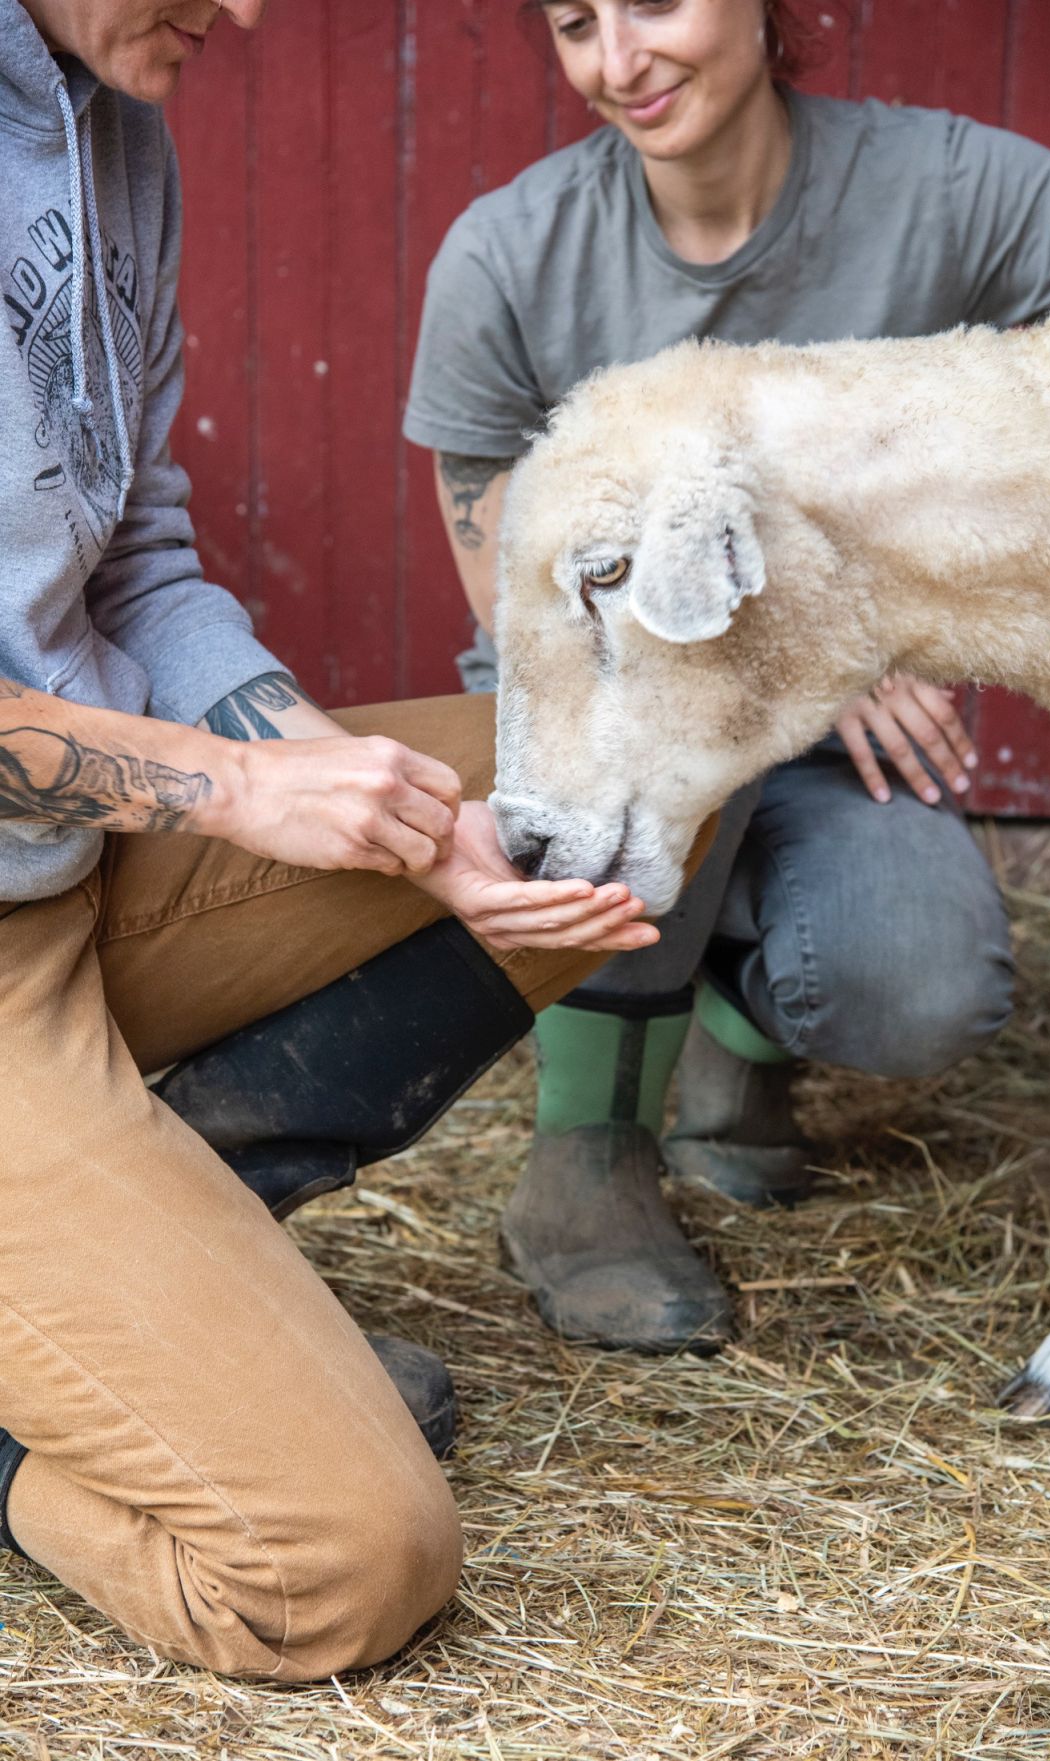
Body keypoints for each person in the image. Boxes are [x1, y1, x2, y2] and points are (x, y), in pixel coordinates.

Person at [0, 0, 675, 1681]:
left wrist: (349, 792)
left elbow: (139, 555)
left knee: (609, 788)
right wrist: (224, 790)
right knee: (344, 1564)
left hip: (72, 879)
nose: (241, 14)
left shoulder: (115, 126)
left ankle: (158, 1257)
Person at [406, 0, 1050, 1354]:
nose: (618, 61)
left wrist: (845, 625)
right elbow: (522, 602)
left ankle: (734, 1038)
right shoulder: (511, 255)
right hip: (616, 706)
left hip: (831, 730)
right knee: (628, 765)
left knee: (921, 977)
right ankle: (586, 1158)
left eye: (655, 4)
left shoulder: (950, 186)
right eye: (576, 24)